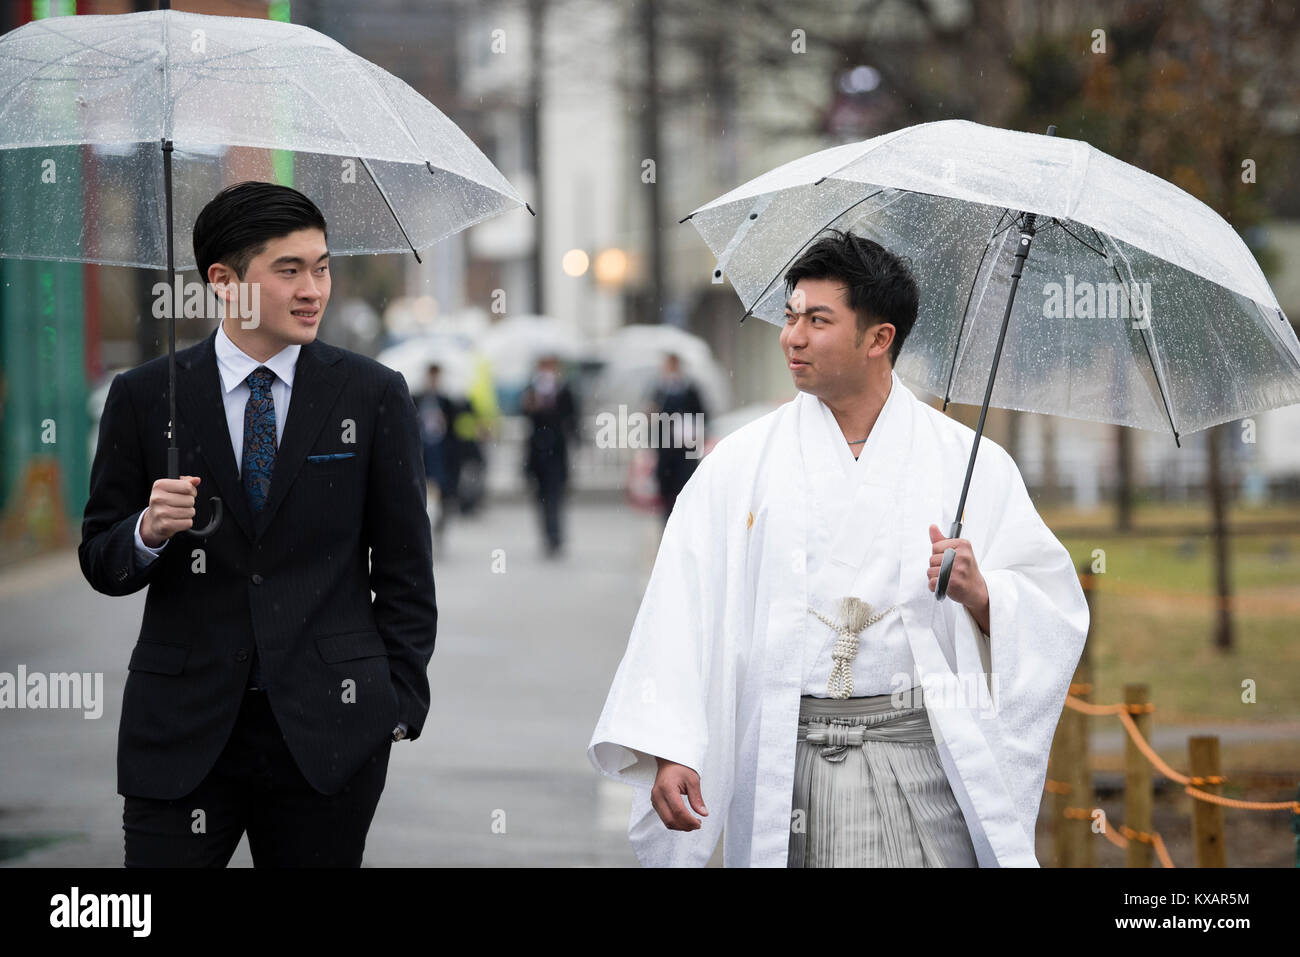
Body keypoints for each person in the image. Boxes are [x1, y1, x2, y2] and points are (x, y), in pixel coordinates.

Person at [588, 229, 1088, 868]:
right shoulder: (740, 464)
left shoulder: (971, 464)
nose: (792, 336)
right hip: (788, 754)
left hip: (924, 755)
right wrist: (672, 745)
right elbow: (683, 602)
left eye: (817, 320)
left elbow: (1054, 610)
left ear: (879, 338)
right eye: (790, 315)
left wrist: (982, 592)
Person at [78, 181, 437, 867]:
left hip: (329, 736)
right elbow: (100, 556)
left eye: (322, 265)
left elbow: (404, 571)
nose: (314, 289)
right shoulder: (146, 396)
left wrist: (394, 705)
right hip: (180, 732)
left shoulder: (372, 393)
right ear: (225, 281)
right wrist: (148, 531)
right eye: (289, 269)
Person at [520, 354, 578, 557]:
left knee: (555, 496)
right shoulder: (531, 389)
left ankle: (556, 535)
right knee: (541, 497)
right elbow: (525, 415)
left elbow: (571, 418)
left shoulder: (563, 390)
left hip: (556, 453)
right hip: (537, 454)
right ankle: (547, 534)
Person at [648, 352, 707, 523]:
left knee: (684, 490)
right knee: (667, 493)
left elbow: (702, 414)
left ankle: (682, 523)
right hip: (666, 451)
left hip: (685, 449)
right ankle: (668, 524)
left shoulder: (690, 389)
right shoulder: (659, 390)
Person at [416, 362, 462, 546]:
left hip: (441, 454)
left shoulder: (447, 401)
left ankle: (440, 525)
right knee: (421, 492)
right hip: (423, 452)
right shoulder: (416, 398)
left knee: (444, 493)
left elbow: (455, 429)